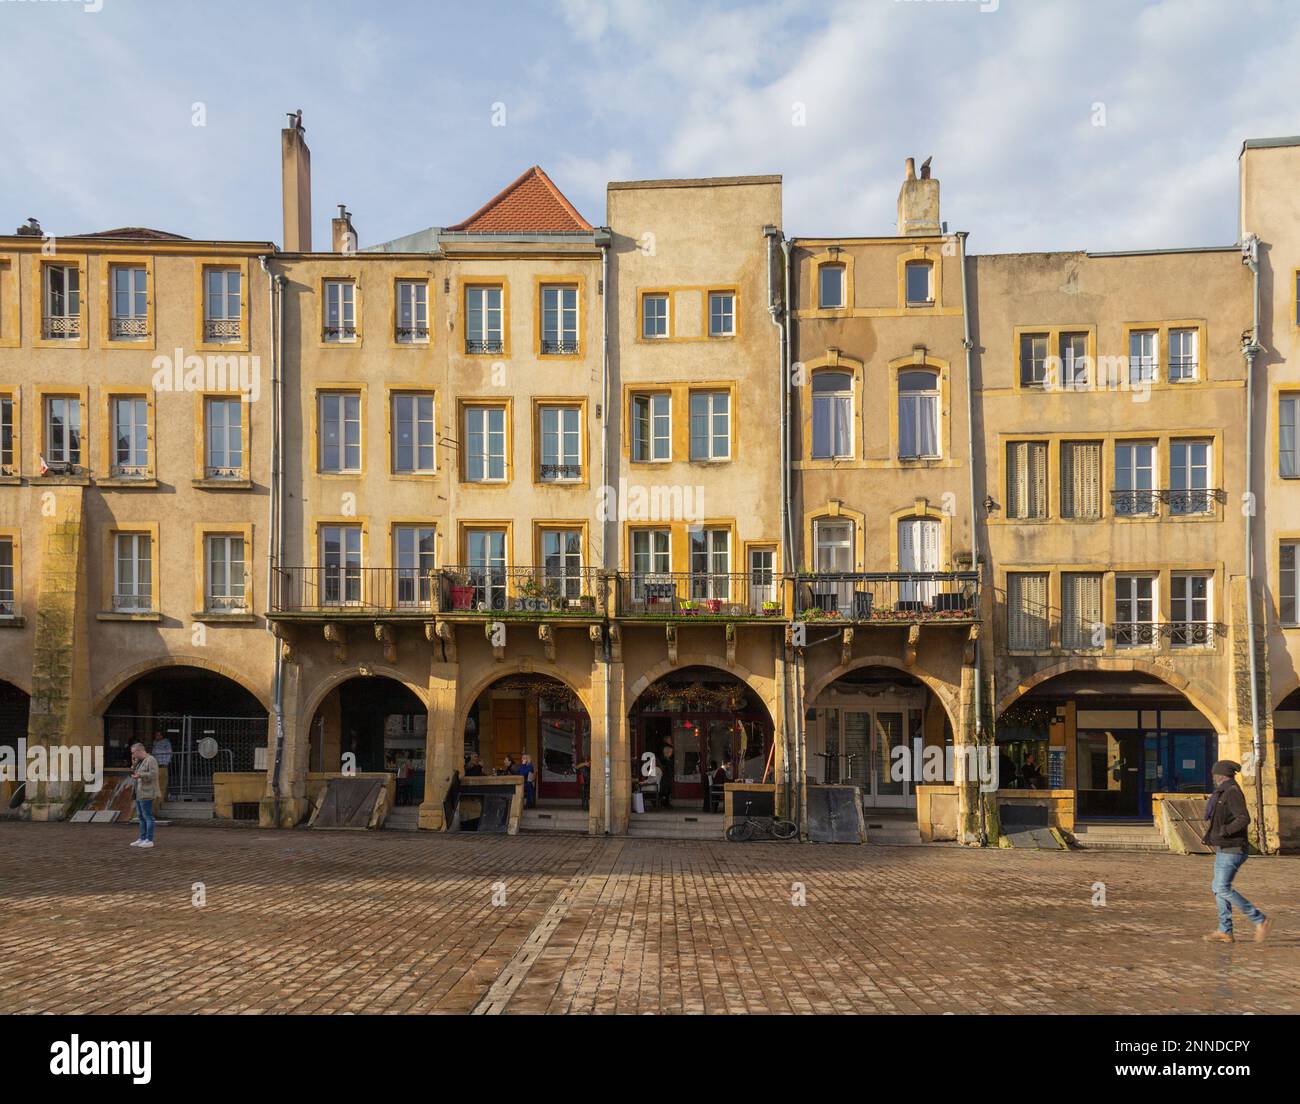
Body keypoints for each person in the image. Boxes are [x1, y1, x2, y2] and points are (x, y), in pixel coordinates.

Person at [1203, 759, 1271, 944]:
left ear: (1221, 775)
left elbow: (1243, 818)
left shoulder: (1232, 792)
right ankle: (1225, 930)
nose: (1213, 777)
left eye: (1215, 774)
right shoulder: (1222, 792)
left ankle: (1259, 919)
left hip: (1233, 848)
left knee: (1222, 887)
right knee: (1217, 888)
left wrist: (1224, 831)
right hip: (1224, 847)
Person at [129, 742, 160, 849]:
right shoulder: (140, 761)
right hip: (139, 792)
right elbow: (134, 771)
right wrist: (134, 764)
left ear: (139, 751)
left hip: (147, 792)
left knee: (148, 816)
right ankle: (142, 838)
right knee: (141, 816)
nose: (133, 755)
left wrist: (140, 775)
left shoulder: (151, 760)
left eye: (133, 753)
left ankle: (149, 839)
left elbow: (154, 774)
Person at [659, 743, 675, 809]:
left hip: (668, 778)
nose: (671, 753)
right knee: (665, 791)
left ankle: (666, 803)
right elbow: (666, 770)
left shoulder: (668, 760)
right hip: (665, 778)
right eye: (671, 752)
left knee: (668, 791)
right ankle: (664, 803)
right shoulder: (664, 760)